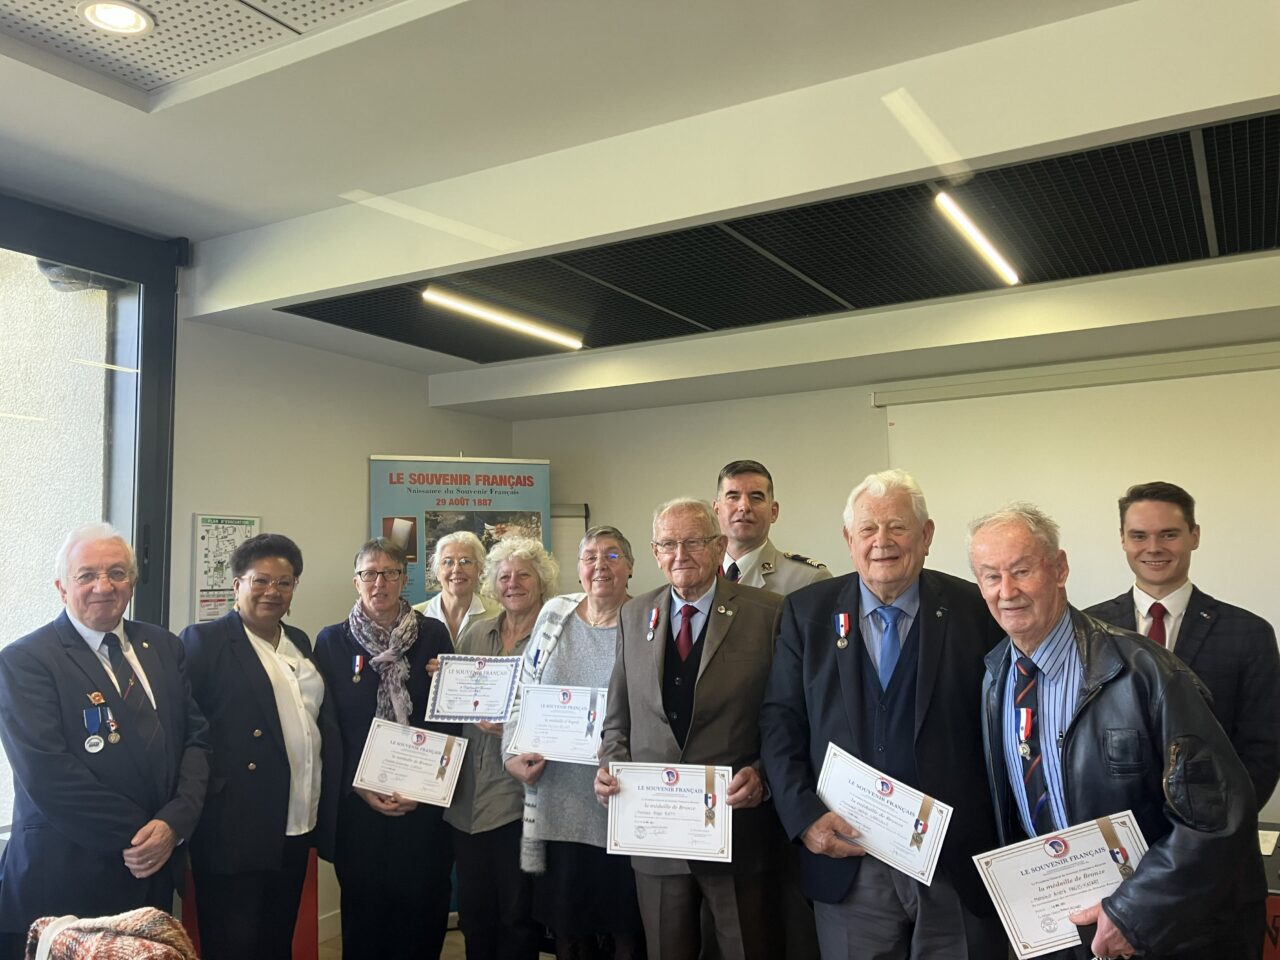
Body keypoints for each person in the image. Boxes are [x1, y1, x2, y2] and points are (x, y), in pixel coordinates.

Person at [969, 503, 1265, 960]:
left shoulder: (1148, 672)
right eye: (990, 576)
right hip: (1056, 929)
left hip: (1149, 933)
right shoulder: (996, 677)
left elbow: (1217, 817)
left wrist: (1133, 914)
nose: (1007, 591)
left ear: (1060, 568)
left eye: (1022, 570)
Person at [759, 469, 1005, 960]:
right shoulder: (806, 612)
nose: (882, 542)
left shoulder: (977, 609)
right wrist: (805, 819)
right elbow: (780, 724)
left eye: (898, 527)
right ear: (849, 540)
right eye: (868, 530)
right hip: (848, 859)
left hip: (951, 863)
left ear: (927, 535)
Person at [0, 524, 209, 960]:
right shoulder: (25, 661)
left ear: (132, 581)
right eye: (87, 575)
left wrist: (174, 823)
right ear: (61, 586)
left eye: (117, 573)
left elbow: (195, 740)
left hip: (152, 868)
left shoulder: (165, 646)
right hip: (67, 875)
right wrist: (145, 836)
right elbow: (48, 773)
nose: (103, 586)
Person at [596, 499, 783, 960]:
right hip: (656, 832)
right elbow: (618, 716)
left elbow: (787, 717)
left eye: (694, 542)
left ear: (719, 546)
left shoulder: (770, 613)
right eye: (667, 544)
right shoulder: (634, 613)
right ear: (655, 553)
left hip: (736, 824)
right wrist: (609, 765)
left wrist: (763, 773)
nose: (680, 554)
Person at [180, 533, 340, 960]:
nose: (273, 592)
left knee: (276, 937)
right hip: (234, 826)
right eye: (261, 581)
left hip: (295, 819)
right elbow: (184, 733)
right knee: (233, 944)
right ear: (237, 585)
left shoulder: (300, 642)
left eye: (285, 583)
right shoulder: (205, 642)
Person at [1084, 481, 1280, 807]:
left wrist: (1223, 824)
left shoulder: (1249, 633)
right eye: (1139, 535)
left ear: (1195, 536)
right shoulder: (1089, 630)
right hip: (1115, 830)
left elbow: (1266, 745)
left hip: (1214, 832)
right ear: (1122, 539)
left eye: (1169, 534)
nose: (1154, 547)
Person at [505, 526, 644, 960]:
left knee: (627, 928)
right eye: (590, 557)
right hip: (559, 801)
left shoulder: (645, 621)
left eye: (613, 556)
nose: (600, 565)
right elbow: (522, 693)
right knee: (568, 929)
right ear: (578, 569)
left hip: (619, 802)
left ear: (631, 567)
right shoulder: (554, 615)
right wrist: (512, 750)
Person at [313, 537, 455, 960]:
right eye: (369, 574)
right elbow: (329, 724)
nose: (379, 583)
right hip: (360, 804)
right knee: (364, 912)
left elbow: (449, 717)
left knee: (423, 907)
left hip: (423, 803)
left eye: (389, 573)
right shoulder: (332, 641)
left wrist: (425, 787)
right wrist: (357, 785)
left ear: (403, 579)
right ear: (356, 582)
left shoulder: (432, 634)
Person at [445, 538, 558, 960]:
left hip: (521, 802)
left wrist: (511, 728)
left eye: (523, 575)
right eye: (504, 576)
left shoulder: (555, 638)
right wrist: (444, 680)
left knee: (518, 919)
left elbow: (564, 714)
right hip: (467, 802)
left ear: (542, 581)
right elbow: (454, 705)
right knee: (475, 917)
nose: (513, 584)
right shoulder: (476, 634)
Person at [712, 459, 831, 592]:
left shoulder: (809, 580)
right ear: (716, 510)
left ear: (773, 512)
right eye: (733, 497)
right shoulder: (696, 574)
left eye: (756, 497)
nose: (744, 507)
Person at [414, 531, 498, 645]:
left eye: (465, 561)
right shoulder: (414, 617)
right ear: (437, 572)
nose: (456, 569)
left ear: (480, 569)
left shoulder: (498, 615)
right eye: (448, 562)